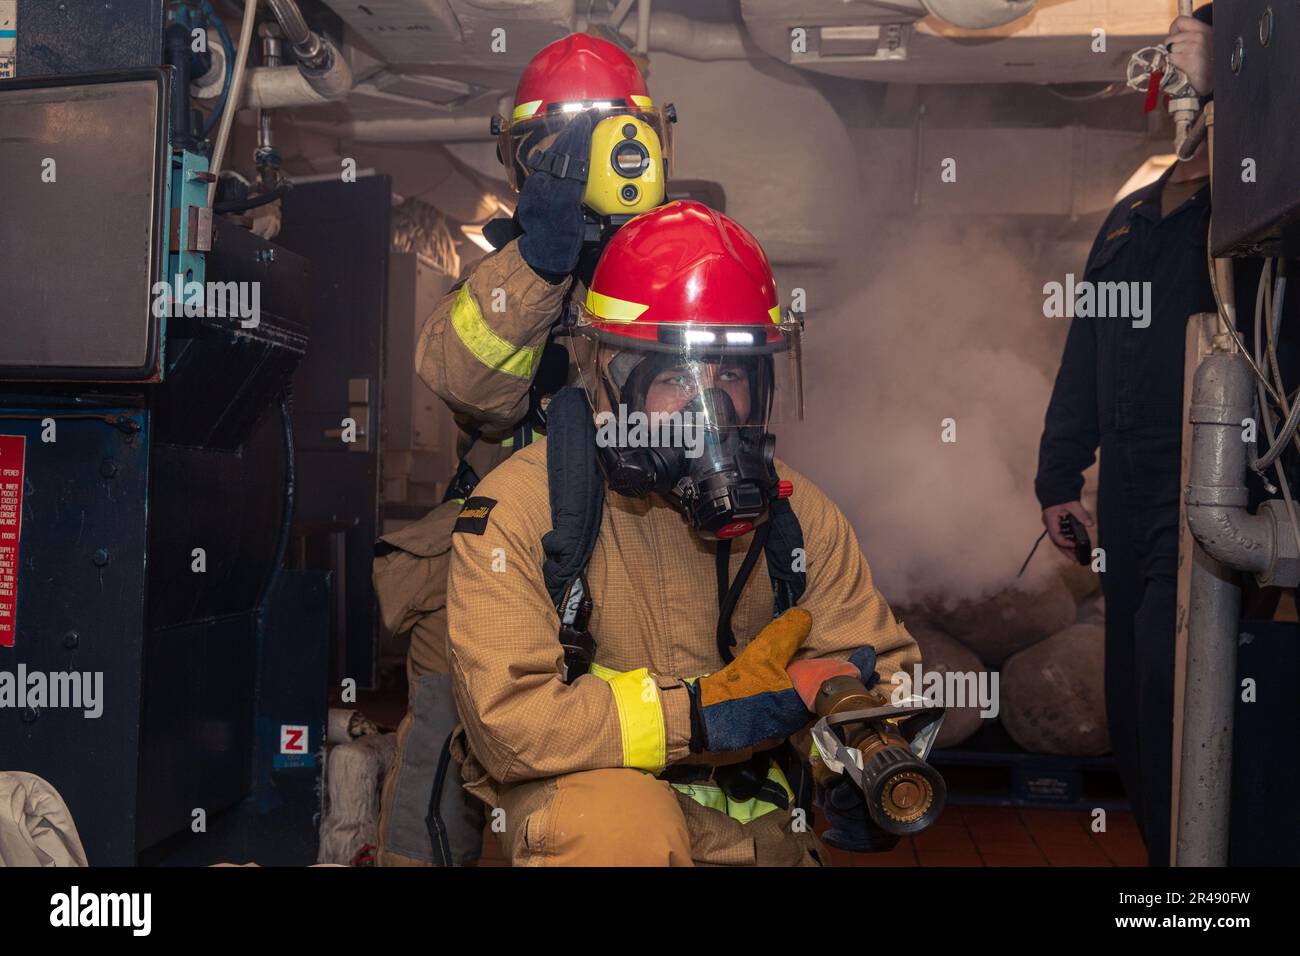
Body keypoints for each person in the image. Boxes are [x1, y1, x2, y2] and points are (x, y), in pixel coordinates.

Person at [444, 200, 921, 866]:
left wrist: (859, 754)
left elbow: (878, 665)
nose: (710, 408)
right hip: (605, 814)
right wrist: (701, 714)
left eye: (732, 375)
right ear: (611, 382)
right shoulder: (523, 510)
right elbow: (510, 724)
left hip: (757, 827)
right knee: (619, 828)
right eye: (676, 377)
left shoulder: (796, 513)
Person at [374, 32, 677, 867]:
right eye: (558, 149)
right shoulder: (504, 273)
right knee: (438, 758)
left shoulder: (680, 266)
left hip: (639, 557)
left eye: (602, 142)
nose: (580, 167)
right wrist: (541, 266)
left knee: (617, 768)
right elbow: (466, 385)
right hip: (491, 559)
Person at [1035, 6, 1220, 867]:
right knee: (1135, 709)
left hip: (1211, 490)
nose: (1177, 57)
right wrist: (1057, 480)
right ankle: (1165, 868)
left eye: (1197, 45)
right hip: (1129, 495)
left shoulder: (1248, 212)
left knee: (1178, 690)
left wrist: (1228, 86)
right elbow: (1084, 357)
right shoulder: (1130, 217)